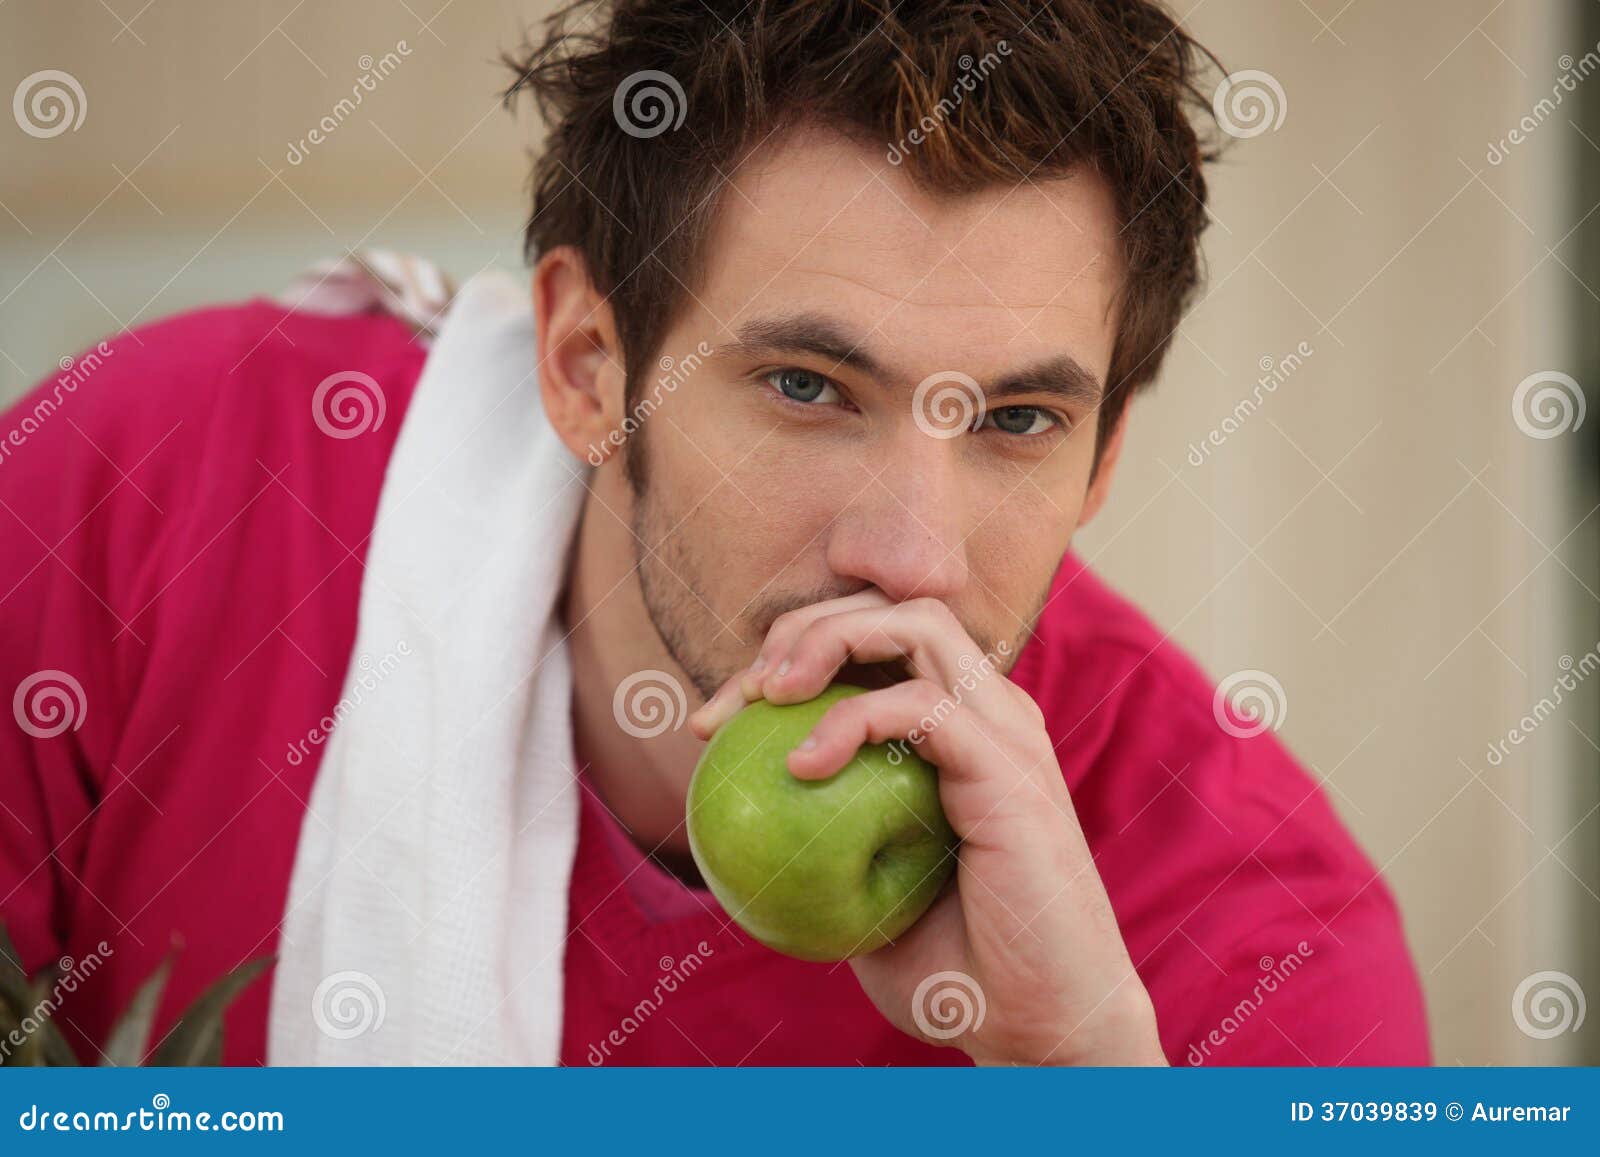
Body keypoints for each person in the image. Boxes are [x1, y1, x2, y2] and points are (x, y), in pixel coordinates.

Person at [0, 0, 1428, 1066]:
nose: (911, 557)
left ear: (1107, 455)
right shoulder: (146, 495)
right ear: (586, 365)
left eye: (1015, 421)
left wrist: (1081, 1081)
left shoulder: (1254, 925)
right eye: (808, 387)